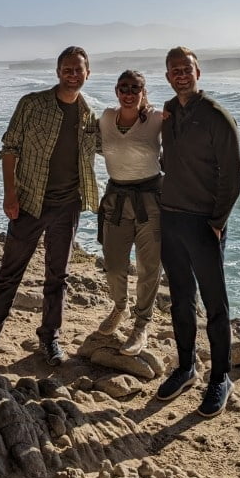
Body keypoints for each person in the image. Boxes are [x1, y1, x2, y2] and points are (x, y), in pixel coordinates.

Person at [0, 46, 99, 366]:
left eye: (78, 69)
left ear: (87, 74)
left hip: (68, 206)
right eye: (67, 69)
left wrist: (148, 117)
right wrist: (9, 193)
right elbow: (10, 148)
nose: (73, 74)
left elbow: (114, 145)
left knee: (58, 277)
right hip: (29, 202)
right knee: (9, 273)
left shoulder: (89, 116)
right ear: (57, 72)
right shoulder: (32, 104)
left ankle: (50, 339)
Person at [154, 46, 240, 417]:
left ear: (198, 72)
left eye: (186, 68)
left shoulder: (217, 116)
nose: (181, 74)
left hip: (204, 224)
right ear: (168, 76)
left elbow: (233, 176)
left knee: (215, 304)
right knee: (180, 299)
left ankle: (221, 376)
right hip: (170, 219)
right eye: (174, 70)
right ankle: (186, 366)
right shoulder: (170, 110)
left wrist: (218, 222)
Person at [96, 70, 164, 356]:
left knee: (149, 266)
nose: (129, 92)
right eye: (124, 87)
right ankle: (119, 306)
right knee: (113, 264)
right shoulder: (106, 118)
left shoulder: (158, 118)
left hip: (151, 201)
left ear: (143, 91)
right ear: (116, 90)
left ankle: (141, 325)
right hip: (116, 199)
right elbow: (89, 144)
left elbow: (185, 141)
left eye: (135, 87)